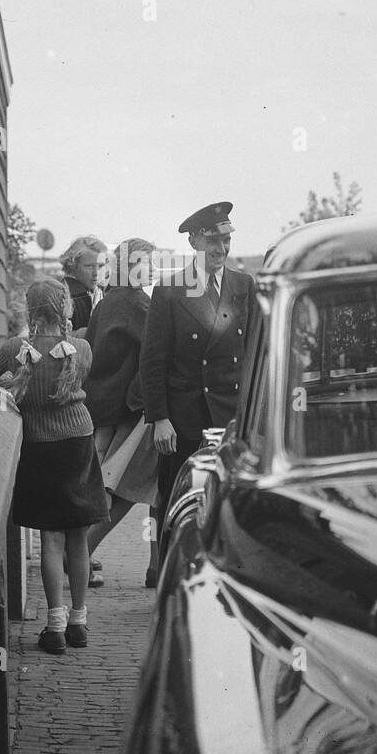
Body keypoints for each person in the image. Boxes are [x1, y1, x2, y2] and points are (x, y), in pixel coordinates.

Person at [0, 277, 109, 654]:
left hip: (41, 446)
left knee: (51, 539)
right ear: (65, 308)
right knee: (78, 536)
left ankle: (55, 626)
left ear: (30, 311)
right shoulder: (81, 347)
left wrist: (14, 380)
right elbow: (78, 380)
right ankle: (80, 623)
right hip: (79, 443)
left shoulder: (17, 347)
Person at [141, 201, 256, 539]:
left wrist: (253, 415)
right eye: (212, 242)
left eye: (226, 242)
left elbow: (251, 353)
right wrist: (159, 418)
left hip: (231, 417)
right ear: (193, 242)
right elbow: (153, 359)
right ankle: (171, 578)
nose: (220, 249)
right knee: (178, 505)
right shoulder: (170, 290)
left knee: (229, 504)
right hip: (183, 420)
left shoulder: (243, 286)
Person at [83, 238, 160, 588]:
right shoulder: (138, 303)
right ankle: (82, 553)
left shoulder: (106, 303)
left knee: (124, 484)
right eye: (145, 263)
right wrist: (141, 400)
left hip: (102, 409)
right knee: (125, 485)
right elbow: (155, 357)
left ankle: (156, 565)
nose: (153, 269)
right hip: (133, 413)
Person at [57, 234, 107, 333]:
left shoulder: (60, 287)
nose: (96, 273)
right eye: (89, 266)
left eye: (101, 266)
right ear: (73, 265)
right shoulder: (76, 296)